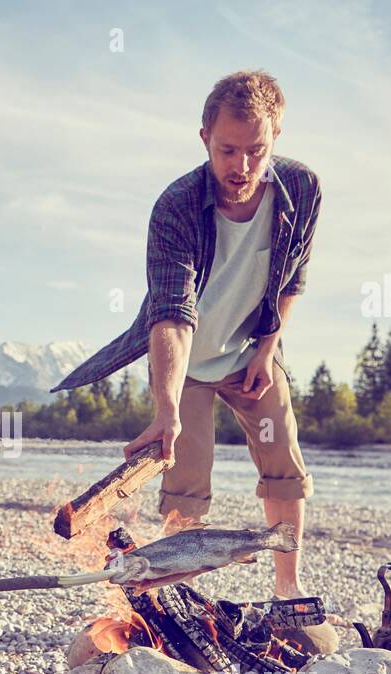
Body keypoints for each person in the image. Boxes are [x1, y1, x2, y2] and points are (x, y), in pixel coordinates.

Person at [54, 70, 323, 604]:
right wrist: (167, 407)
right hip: (185, 365)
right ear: (204, 137)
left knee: (283, 464)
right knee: (187, 484)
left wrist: (267, 352)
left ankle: (289, 589)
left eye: (256, 150)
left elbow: (293, 279)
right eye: (227, 150)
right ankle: (183, 602)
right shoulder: (175, 206)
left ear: (276, 139)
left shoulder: (302, 188)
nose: (241, 166)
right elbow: (172, 313)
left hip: (253, 352)